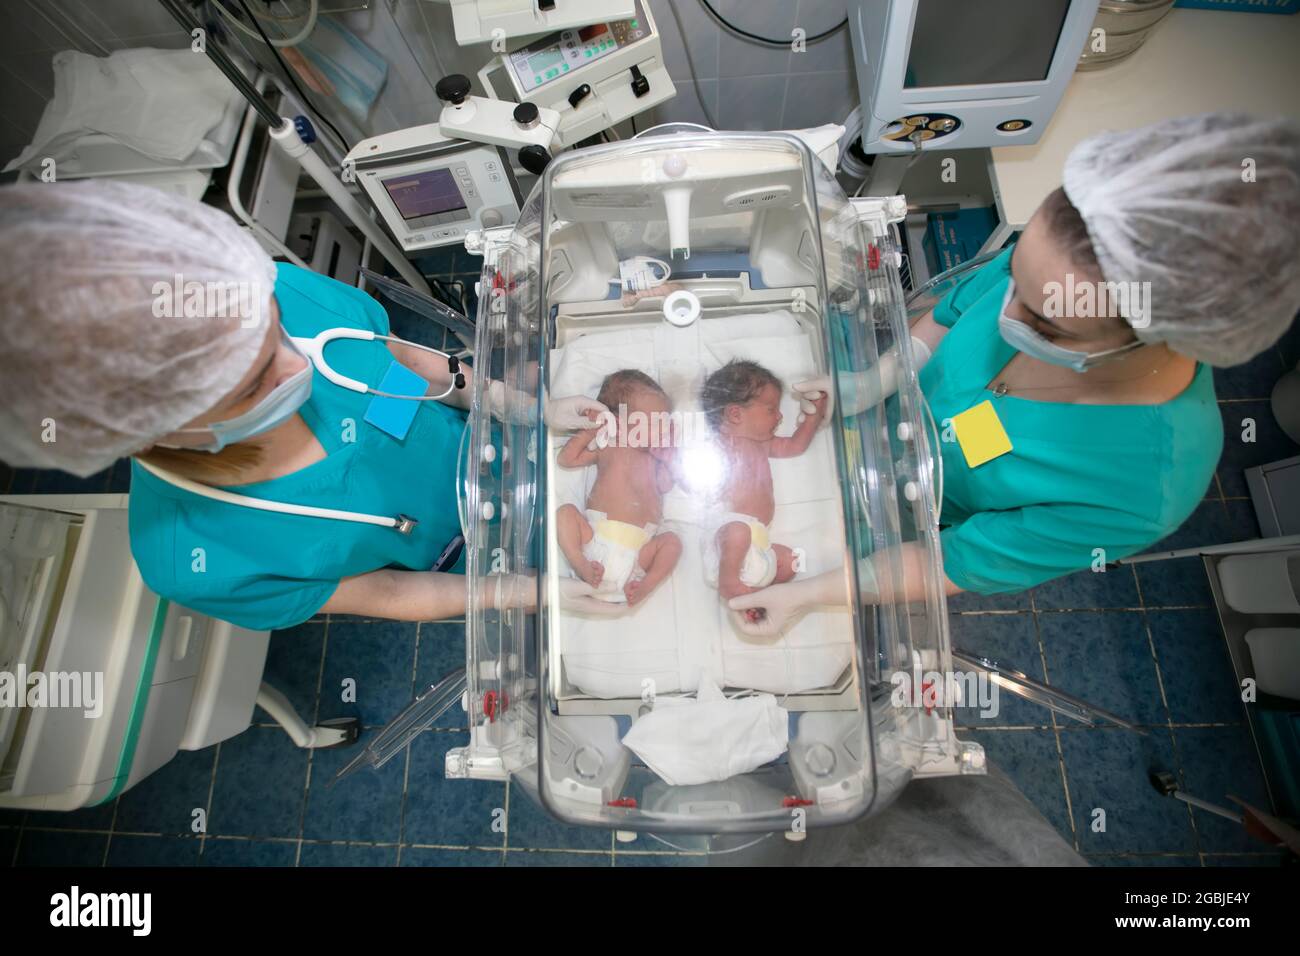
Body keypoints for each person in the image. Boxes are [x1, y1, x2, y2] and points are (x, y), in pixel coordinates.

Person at [729, 112, 1300, 635]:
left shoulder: (1142, 489)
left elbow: (949, 561)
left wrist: (811, 595)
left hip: (907, 518)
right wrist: (877, 380)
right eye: (1016, 279)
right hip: (875, 433)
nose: (1007, 316)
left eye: (1045, 321)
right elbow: (952, 314)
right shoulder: (1064, 256)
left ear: (1149, 337)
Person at [0, 180, 606, 630]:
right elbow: (388, 593)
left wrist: (514, 403)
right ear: (149, 433)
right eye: (252, 384)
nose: (300, 367)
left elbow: (413, 363)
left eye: (276, 332)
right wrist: (523, 591)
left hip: (490, 442)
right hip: (464, 562)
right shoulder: (192, 558)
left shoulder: (288, 294)